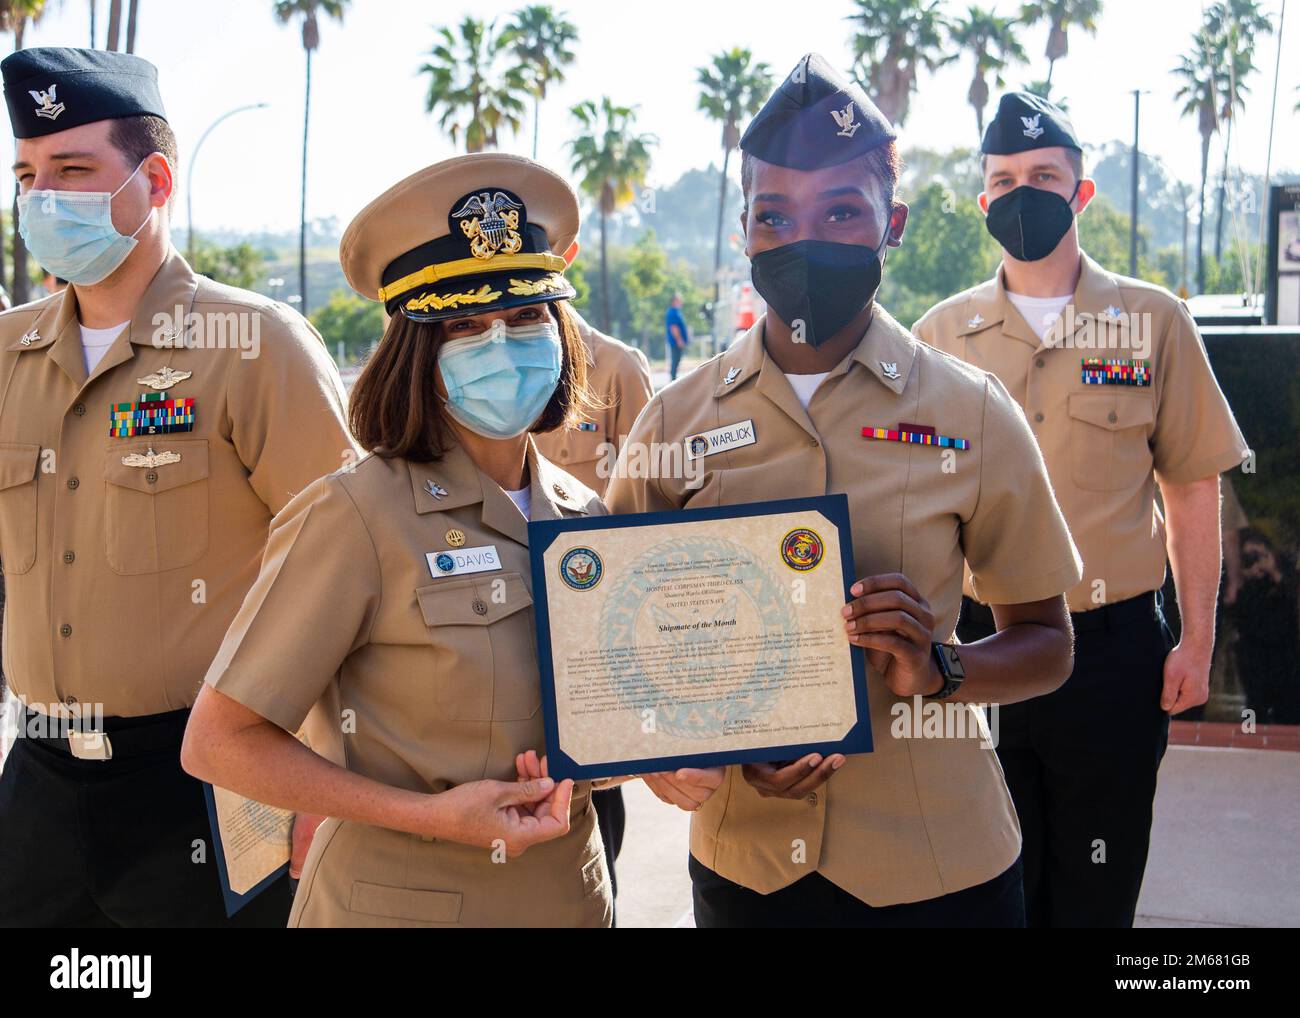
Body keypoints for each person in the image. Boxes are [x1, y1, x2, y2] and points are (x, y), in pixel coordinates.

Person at [606, 54, 1083, 928]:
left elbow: (1048, 643)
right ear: (743, 231)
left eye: (840, 211)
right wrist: (663, 756)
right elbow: (616, 652)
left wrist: (942, 669)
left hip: (939, 867)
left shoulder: (970, 411)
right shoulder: (673, 425)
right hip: (749, 868)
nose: (804, 239)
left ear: (890, 223)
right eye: (774, 216)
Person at [182, 153, 623, 928]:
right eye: (464, 324)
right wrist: (429, 813)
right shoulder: (354, 513)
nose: (504, 343)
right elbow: (220, 743)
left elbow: (610, 722)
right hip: (397, 907)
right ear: (418, 350)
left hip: (570, 900)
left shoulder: (586, 518)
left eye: (526, 317)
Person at [0, 47, 354, 927]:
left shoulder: (255, 345)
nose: (43, 196)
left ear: (154, 180)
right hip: (38, 783)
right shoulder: (5, 357)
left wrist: (329, 780)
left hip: (204, 779)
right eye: (27, 173)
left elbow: (350, 575)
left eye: (74, 170)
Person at [914, 92, 1249, 927]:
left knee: (1098, 887)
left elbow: (1191, 488)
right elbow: (909, 498)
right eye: (1005, 179)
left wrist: (1198, 644)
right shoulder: (939, 337)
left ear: (1081, 192)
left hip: (1111, 652)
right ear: (984, 201)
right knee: (990, 890)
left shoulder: (1152, 322)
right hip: (980, 654)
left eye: (1044, 176)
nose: (1023, 191)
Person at [534, 306, 653, 914]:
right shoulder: (461, 352)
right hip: (495, 640)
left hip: (590, 643)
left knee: (593, 830)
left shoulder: (616, 369)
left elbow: (645, 514)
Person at [665, 293, 689, 380]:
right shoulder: (672, 313)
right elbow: (674, 328)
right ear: (674, 301)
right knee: (675, 360)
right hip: (675, 342)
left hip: (676, 341)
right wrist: (679, 340)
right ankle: (673, 379)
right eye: (679, 300)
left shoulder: (676, 312)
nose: (681, 302)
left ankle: (673, 377)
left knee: (677, 360)